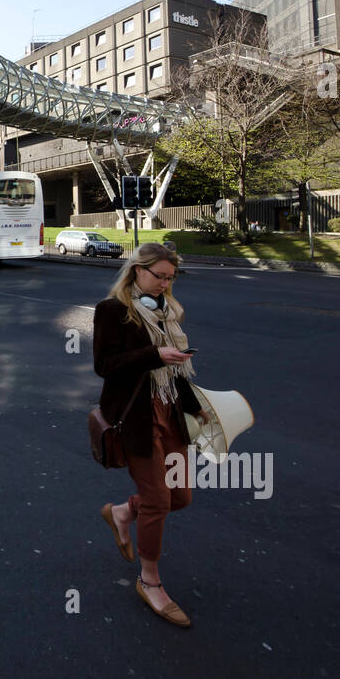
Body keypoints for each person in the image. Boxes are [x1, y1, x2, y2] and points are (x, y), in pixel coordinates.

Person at [93, 242, 208, 629]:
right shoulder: (113, 312)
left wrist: (195, 408)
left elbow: (175, 371)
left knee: (182, 497)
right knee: (158, 500)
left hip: (169, 413)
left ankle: (123, 512)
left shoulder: (167, 314)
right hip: (136, 419)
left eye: (170, 278)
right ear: (137, 271)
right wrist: (154, 355)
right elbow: (105, 365)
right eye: (159, 276)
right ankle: (150, 581)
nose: (164, 284)